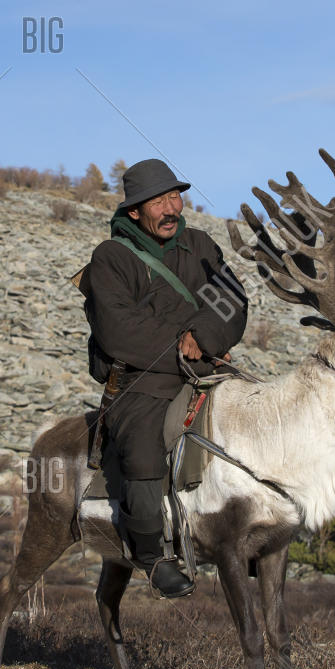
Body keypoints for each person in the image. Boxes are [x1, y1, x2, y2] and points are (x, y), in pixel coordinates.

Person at [84, 159, 248, 597]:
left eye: (175, 197)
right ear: (135, 212)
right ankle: (153, 556)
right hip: (143, 380)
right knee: (141, 445)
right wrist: (185, 341)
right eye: (158, 201)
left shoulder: (199, 245)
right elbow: (118, 329)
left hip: (206, 364)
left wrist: (207, 336)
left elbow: (232, 299)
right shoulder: (111, 258)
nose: (171, 207)